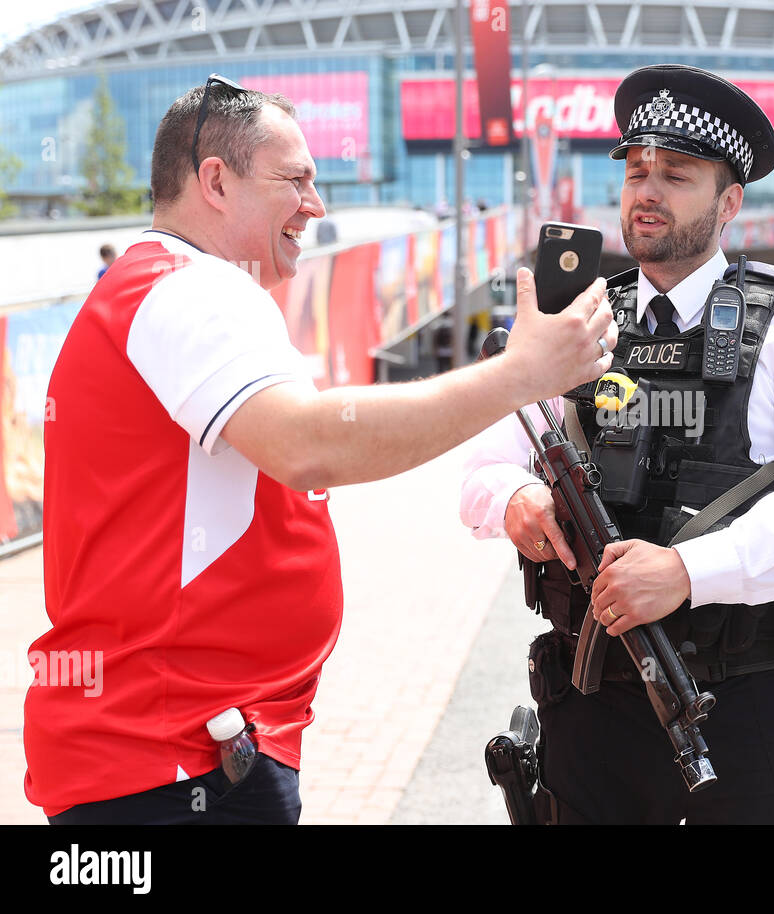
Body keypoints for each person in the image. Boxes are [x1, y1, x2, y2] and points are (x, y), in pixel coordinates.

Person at [26, 75, 616, 825]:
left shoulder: (164, 286)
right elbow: (308, 443)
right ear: (215, 180)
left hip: (183, 750)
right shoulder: (186, 289)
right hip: (172, 760)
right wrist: (517, 377)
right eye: (295, 180)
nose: (315, 205)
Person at [462, 64, 774, 824]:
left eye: (676, 175)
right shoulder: (581, 323)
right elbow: (487, 457)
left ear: (729, 204)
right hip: (593, 707)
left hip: (751, 703)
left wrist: (689, 570)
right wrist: (513, 498)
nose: (646, 191)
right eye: (636, 171)